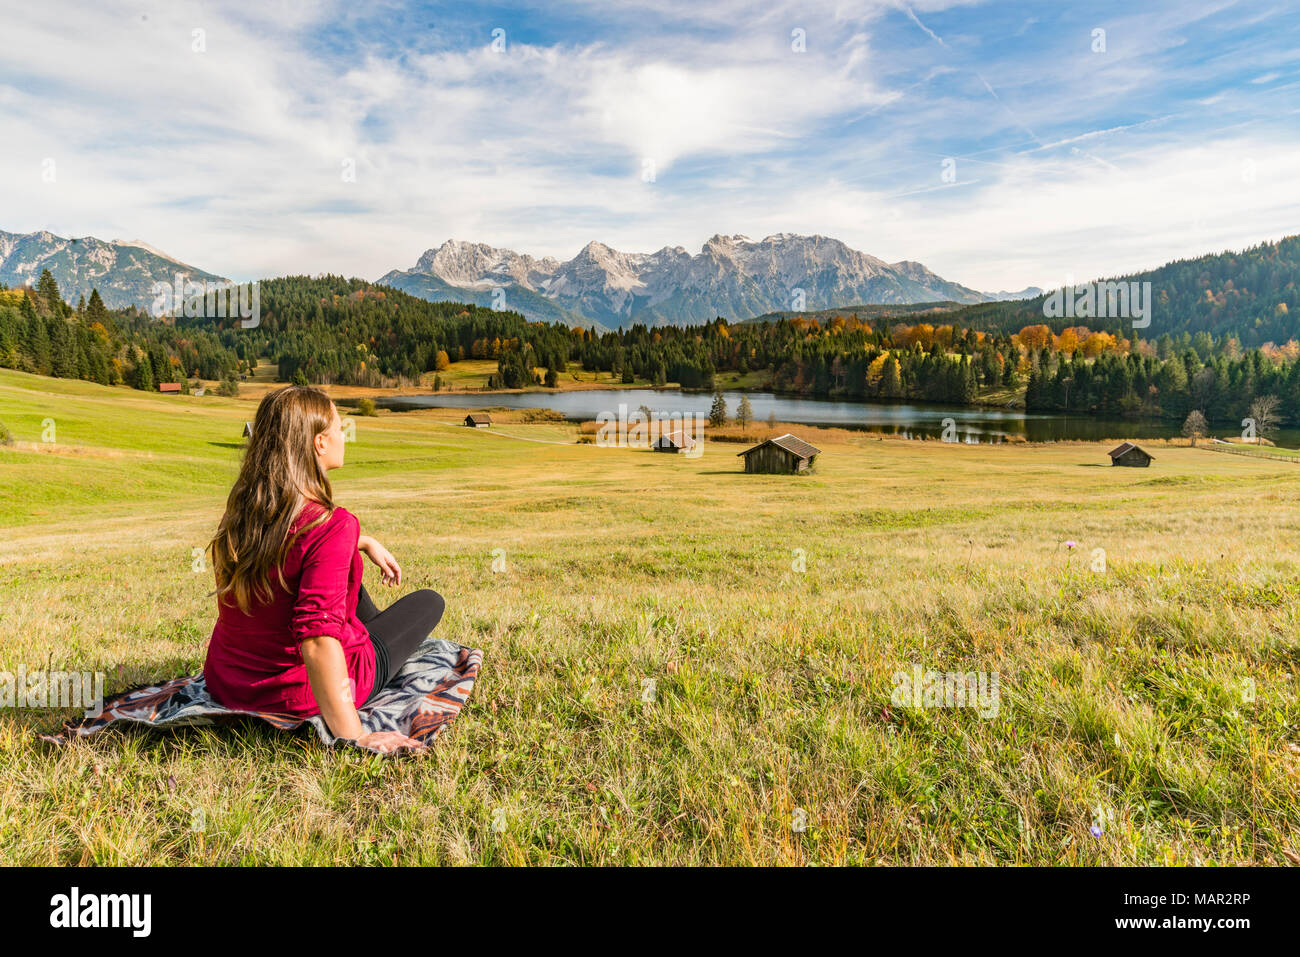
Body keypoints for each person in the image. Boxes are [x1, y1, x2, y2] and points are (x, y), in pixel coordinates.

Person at [202, 385, 444, 753]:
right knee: (429, 602)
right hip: (294, 694)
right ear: (318, 443)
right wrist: (355, 734)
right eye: (338, 426)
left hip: (227, 683)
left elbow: (291, 550)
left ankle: (364, 628)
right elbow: (316, 640)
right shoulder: (332, 525)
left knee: (344, 575)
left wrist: (360, 542)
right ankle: (368, 639)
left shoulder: (243, 514)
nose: (344, 434)